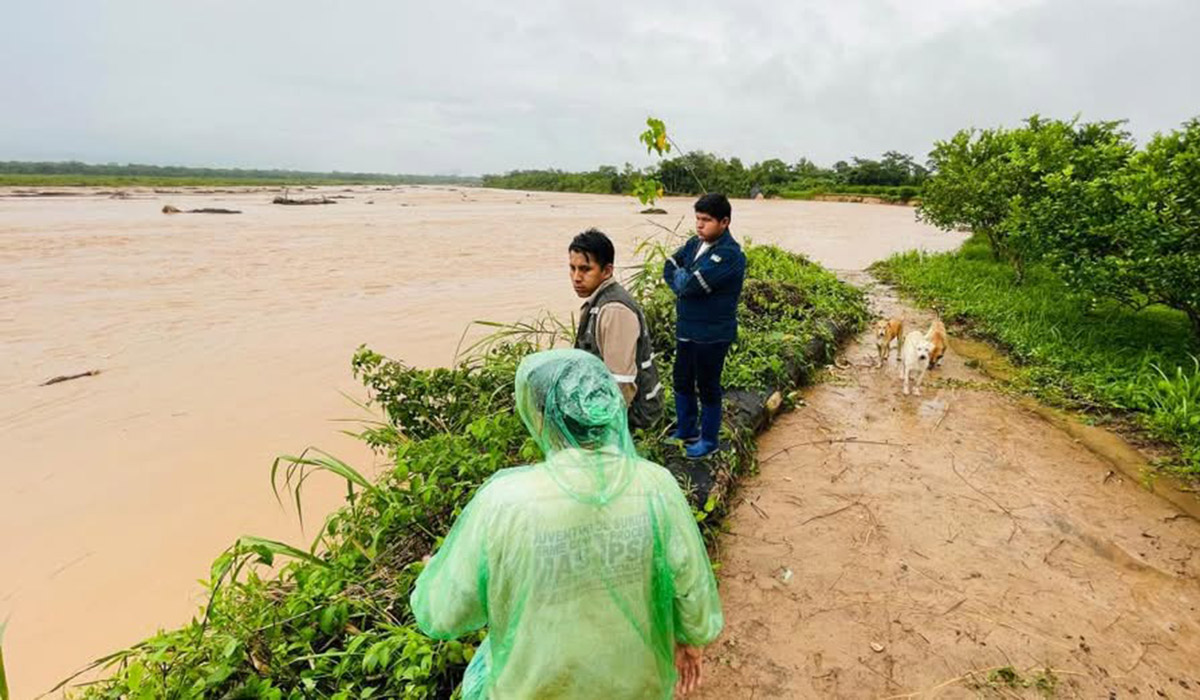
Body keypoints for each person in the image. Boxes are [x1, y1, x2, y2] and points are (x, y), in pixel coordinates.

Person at [411, 349, 723, 699]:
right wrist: (690, 639)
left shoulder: (504, 502)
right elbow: (689, 580)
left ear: (540, 417)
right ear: (605, 410)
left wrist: (434, 573)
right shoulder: (656, 485)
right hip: (638, 684)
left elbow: (444, 614)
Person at [662, 193, 747, 459]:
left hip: (712, 333)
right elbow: (669, 266)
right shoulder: (693, 243)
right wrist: (685, 279)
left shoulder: (730, 255)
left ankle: (708, 439)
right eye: (698, 219)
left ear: (724, 222)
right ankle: (686, 429)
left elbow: (689, 285)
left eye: (706, 220)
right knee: (682, 379)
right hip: (687, 328)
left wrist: (684, 280)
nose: (700, 225)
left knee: (708, 385)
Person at [568, 228, 664, 430]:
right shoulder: (599, 301)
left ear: (607, 271)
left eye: (585, 269)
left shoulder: (614, 309)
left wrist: (604, 431)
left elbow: (622, 383)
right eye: (572, 268)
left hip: (636, 417)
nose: (576, 277)